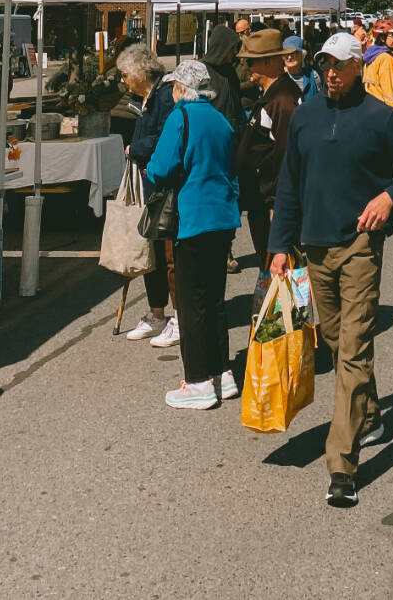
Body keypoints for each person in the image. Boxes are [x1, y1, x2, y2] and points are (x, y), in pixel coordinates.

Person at [269, 32, 393, 507]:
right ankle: (373, 415)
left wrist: (389, 197)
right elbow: (290, 184)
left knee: (355, 350)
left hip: (360, 246)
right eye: (324, 65)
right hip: (315, 248)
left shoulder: (381, 118)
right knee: (338, 342)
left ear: (359, 66)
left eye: (339, 65)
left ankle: (342, 465)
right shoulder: (305, 116)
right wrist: (280, 245)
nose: (331, 73)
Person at [149, 59, 241, 409]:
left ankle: (198, 380)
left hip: (193, 217)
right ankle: (222, 372)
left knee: (190, 302)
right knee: (215, 299)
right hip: (223, 215)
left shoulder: (181, 117)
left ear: (181, 89)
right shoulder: (219, 119)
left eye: (174, 86)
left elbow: (160, 167)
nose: (171, 92)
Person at [116, 43, 179, 348]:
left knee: (169, 256)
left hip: (165, 186)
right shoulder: (145, 97)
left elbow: (167, 136)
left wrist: (136, 149)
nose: (123, 80)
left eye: (125, 74)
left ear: (140, 72)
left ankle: (178, 317)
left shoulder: (165, 95)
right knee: (150, 253)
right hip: (148, 184)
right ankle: (157, 313)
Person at [235, 29, 303, 267]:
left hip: (273, 204)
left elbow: (287, 157)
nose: (247, 67)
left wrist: (279, 205)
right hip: (260, 201)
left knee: (283, 271)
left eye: (251, 61)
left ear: (269, 61)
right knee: (270, 269)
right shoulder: (273, 95)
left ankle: (287, 307)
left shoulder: (284, 100)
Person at [201, 25, 243, 129]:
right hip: (212, 129)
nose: (235, 52)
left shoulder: (230, 70)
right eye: (232, 48)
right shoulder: (201, 70)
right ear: (222, 48)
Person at [362, 21, 393, 112]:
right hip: (384, 112)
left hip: (371, 108)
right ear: (382, 39)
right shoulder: (386, 59)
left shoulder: (371, 55)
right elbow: (388, 93)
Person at [282, 34, 321, 99]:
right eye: (286, 53)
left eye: (293, 53)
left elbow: (320, 99)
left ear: (302, 55)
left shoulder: (313, 76)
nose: (289, 57)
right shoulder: (278, 77)